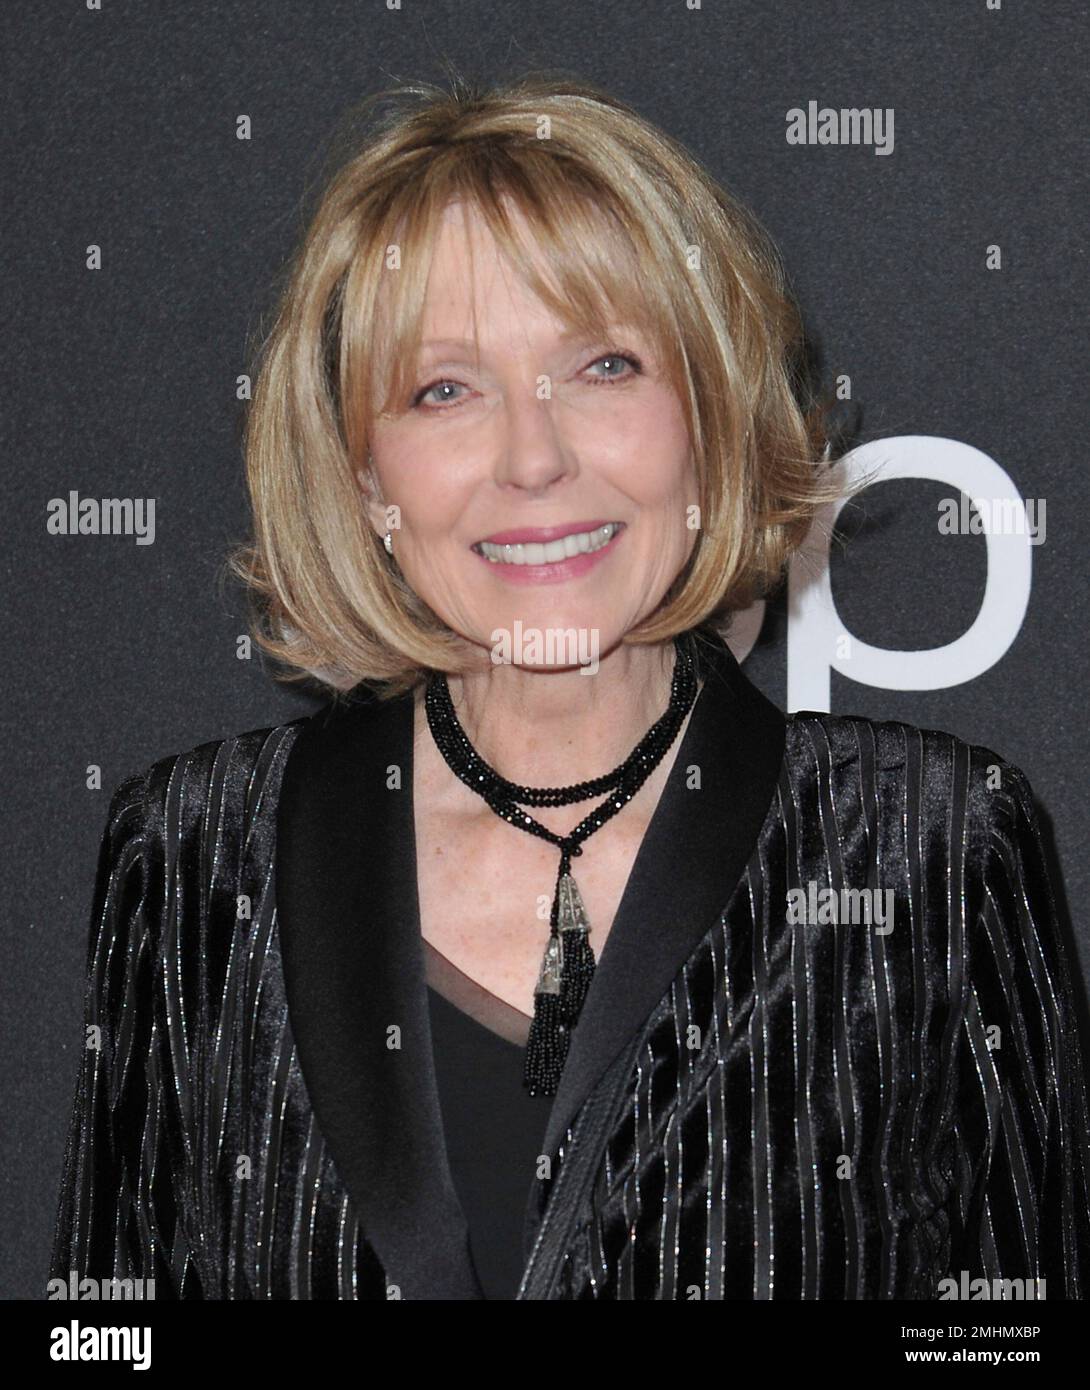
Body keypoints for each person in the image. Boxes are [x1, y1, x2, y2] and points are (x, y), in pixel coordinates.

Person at [49, 72, 1090, 1301]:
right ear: (365, 477)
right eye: (445, 389)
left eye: (602, 366)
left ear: (708, 409)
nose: (533, 456)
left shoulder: (931, 850)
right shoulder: (192, 855)